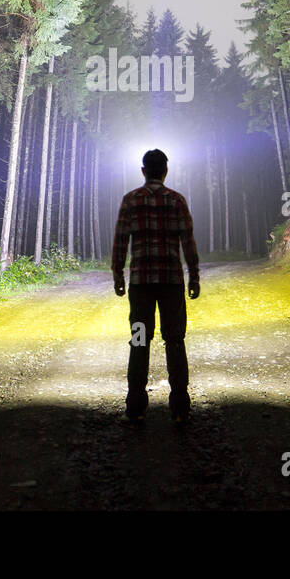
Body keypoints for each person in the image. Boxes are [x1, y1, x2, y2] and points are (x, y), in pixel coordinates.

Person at [111, 148, 200, 424]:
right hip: (171, 283)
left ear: (143, 171)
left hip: (140, 285)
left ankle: (136, 406)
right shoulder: (176, 200)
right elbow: (188, 241)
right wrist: (194, 274)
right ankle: (180, 408)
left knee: (139, 341)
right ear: (165, 171)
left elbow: (120, 240)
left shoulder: (130, 200)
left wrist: (118, 274)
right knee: (174, 340)